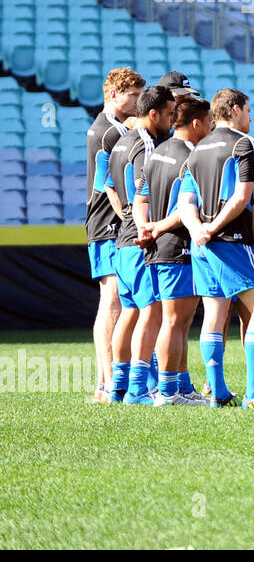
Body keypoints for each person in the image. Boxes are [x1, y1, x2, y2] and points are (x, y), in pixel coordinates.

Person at [178, 88, 254, 409]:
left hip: (202, 247)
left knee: (214, 313)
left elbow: (185, 201)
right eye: (248, 110)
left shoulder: (197, 148)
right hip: (232, 242)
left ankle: (219, 392)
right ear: (234, 110)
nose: (250, 117)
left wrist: (198, 230)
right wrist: (214, 226)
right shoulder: (243, 143)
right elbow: (242, 196)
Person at [136, 93, 211, 405]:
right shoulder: (193, 157)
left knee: (176, 319)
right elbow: (188, 208)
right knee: (175, 321)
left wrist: (146, 227)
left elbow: (140, 197)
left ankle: (179, 387)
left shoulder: (157, 152)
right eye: (208, 122)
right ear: (196, 123)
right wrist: (159, 227)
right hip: (178, 245)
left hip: (155, 246)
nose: (211, 128)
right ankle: (168, 393)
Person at [106, 85, 175, 403]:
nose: (173, 121)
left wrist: (126, 220)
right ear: (154, 114)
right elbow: (141, 193)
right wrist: (146, 226)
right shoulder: (147, 145)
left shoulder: (121, 142)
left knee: (130, 312)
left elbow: (109, 187)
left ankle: (117, 386)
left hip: (122, 240)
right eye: (170, 114)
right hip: (140, 240)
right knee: (153, 312)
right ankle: (137, 389)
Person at [85, 67, 143, 402]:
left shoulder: (120, 127)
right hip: (107, 222)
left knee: (120, 300)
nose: (137, 101)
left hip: (117, 224)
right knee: (112, 300)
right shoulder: (103, 131)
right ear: (113, 95)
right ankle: (106, 382)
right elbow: (102, 186)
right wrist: (125, 215)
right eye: (132, 95)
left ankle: (114, 379)